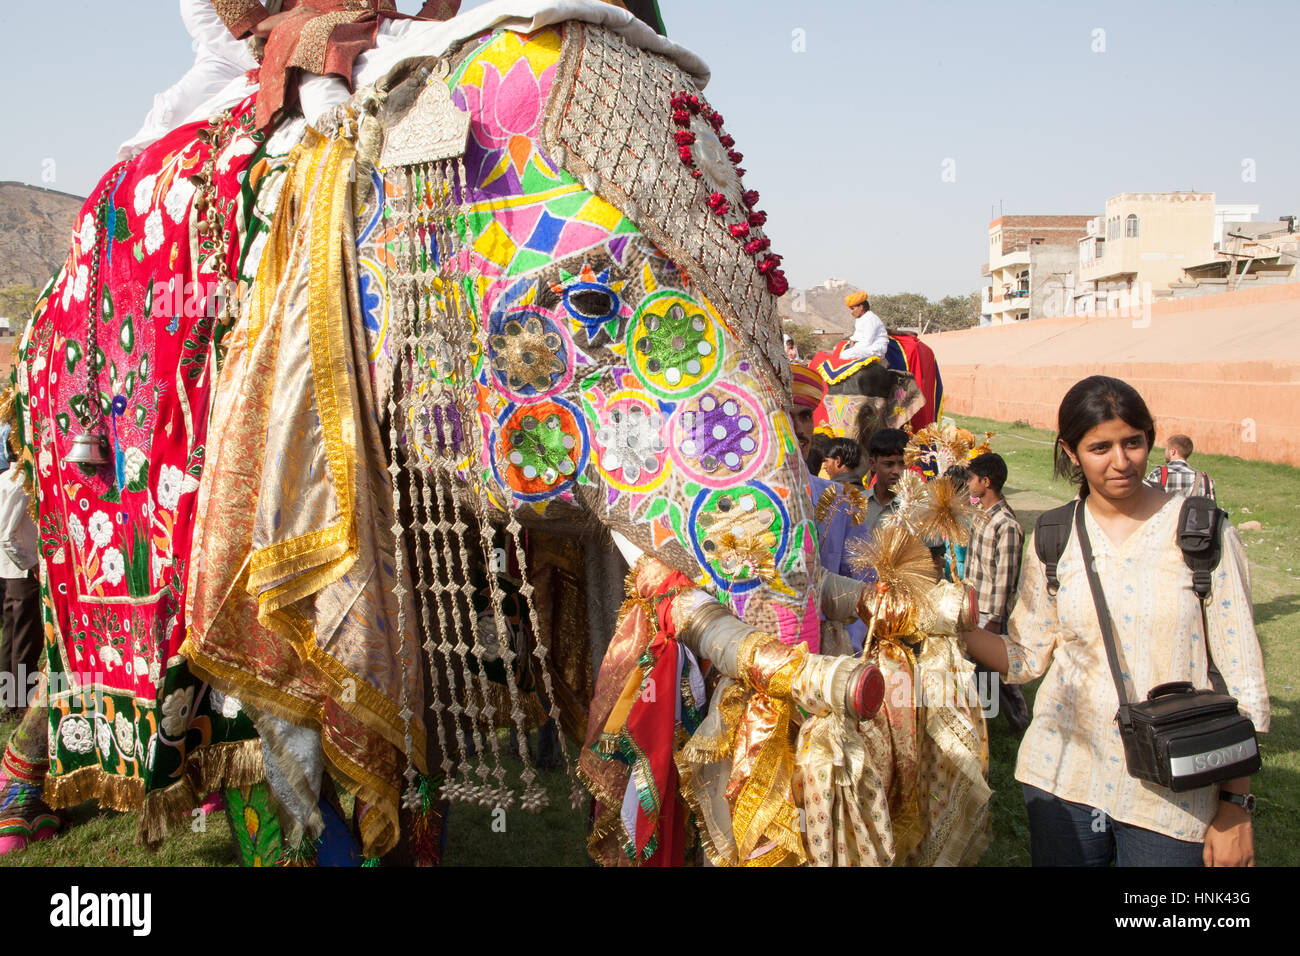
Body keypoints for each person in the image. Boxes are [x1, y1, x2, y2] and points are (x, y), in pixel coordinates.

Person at [959, 376, 1269, 866]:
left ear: (1150, 438)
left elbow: (1241, 671)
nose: (1121, 462)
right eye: (1099, 447)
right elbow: (1025, 655)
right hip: (1063, 777)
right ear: (1071, 451)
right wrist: (949, 624)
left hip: (1174, 791)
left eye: (1133, 443)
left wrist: (1235, 804)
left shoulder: (1200, 531)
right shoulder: (1055, 537)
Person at [963, 452, 1030, 738]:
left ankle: (1018, 721)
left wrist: (995, 619)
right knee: (981, 670)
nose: (968, 483)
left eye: (971, 478)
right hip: (974, 607)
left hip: (990, 612)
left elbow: (1005, 577)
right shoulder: (981, 516)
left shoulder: (1007, 525)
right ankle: (983, 719)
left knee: (998, 674)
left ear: (985, 481)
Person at [0, 462, 39, 719]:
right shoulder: (21, 481)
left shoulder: (6, 476)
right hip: (23, 571)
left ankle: (8, 700)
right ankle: (20, 704)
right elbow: (6, 535)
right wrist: (33, 565)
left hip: (11, 570)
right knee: (25, 641)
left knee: (11, 638)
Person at [863, 427, 908, 535]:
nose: (897, 471)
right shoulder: (856, 505)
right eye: (889, 464)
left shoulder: (917, 509)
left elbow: (934, 551)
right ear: (873, 464)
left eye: (902, 464)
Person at [1144, 433, 1215, 499]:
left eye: (1167, 449)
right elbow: (1211, 507)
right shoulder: (1204, 479)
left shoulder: (1158, 474)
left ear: (1172, 451)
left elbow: (1145, 500)